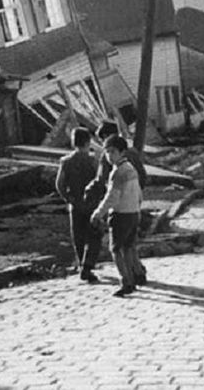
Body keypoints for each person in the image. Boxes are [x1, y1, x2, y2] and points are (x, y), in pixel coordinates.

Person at [86, 121, 147, 285]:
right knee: (130, 245)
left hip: (119, 207)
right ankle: (138, 272)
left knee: (117, 247)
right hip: (134, 203)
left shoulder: (111, 160)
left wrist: (98, 209)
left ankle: (126, 279)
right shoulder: (131, 154)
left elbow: (103, 183)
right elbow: (143, 176)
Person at [55, 127, 102, 283]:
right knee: (94, 236)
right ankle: (87, 266)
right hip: (91, 203)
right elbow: (100, 181)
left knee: (78, 236)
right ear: (88, 142)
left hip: (75, 204)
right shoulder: (93, 161)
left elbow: (59, 184)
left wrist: (68, 198)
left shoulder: (66, 161)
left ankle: (81, 264)